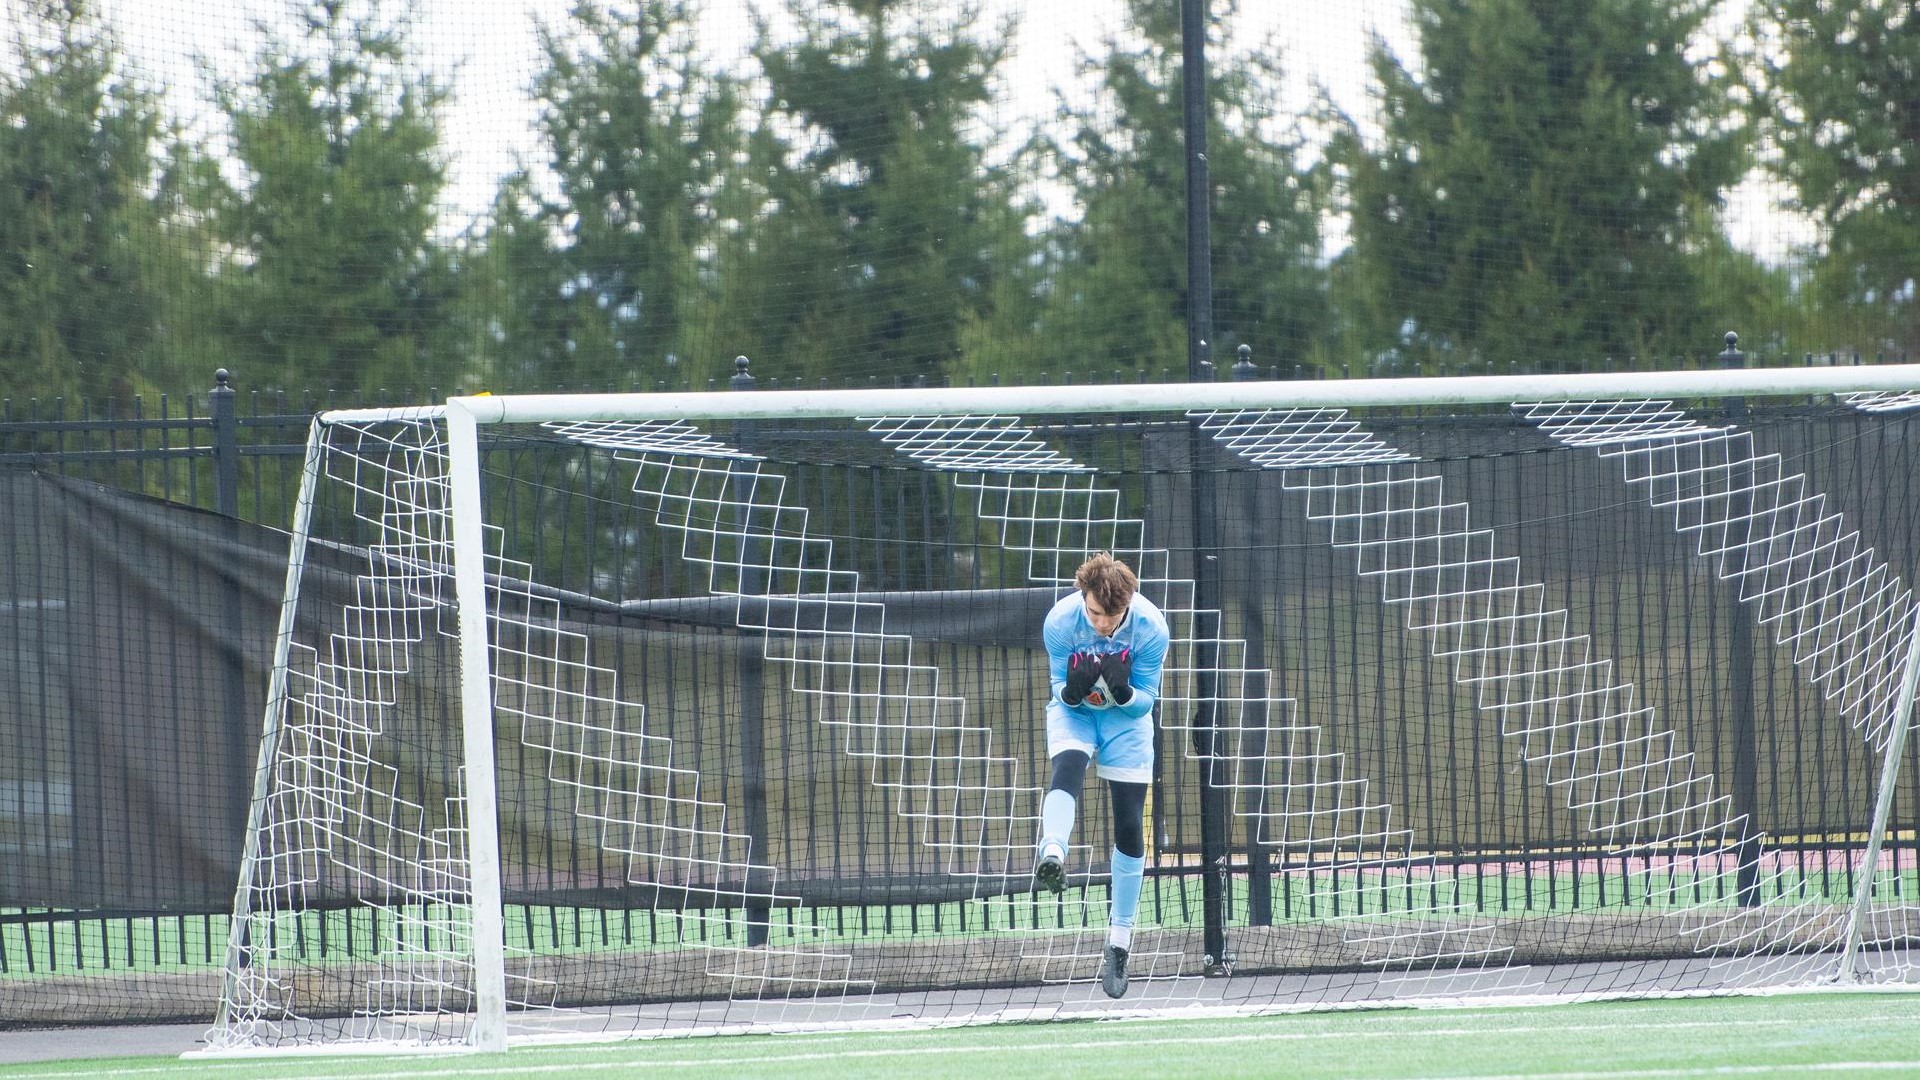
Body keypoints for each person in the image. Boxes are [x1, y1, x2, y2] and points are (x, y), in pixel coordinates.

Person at [1033, 551, 1168, 999]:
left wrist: (1125, 691)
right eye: (1094, 613)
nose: (1102, 625)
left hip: (1126, 722)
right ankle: (1052, 852)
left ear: (1128, 602)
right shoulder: (1060, 622)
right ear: (1082, 596)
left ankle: (1119, 943)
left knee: (1129, 823)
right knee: (1066, 770)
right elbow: (1058, 688)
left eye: (1111, 617)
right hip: (1077, 717)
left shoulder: (1151, 628)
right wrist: (1072, 690)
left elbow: (1147, 698)